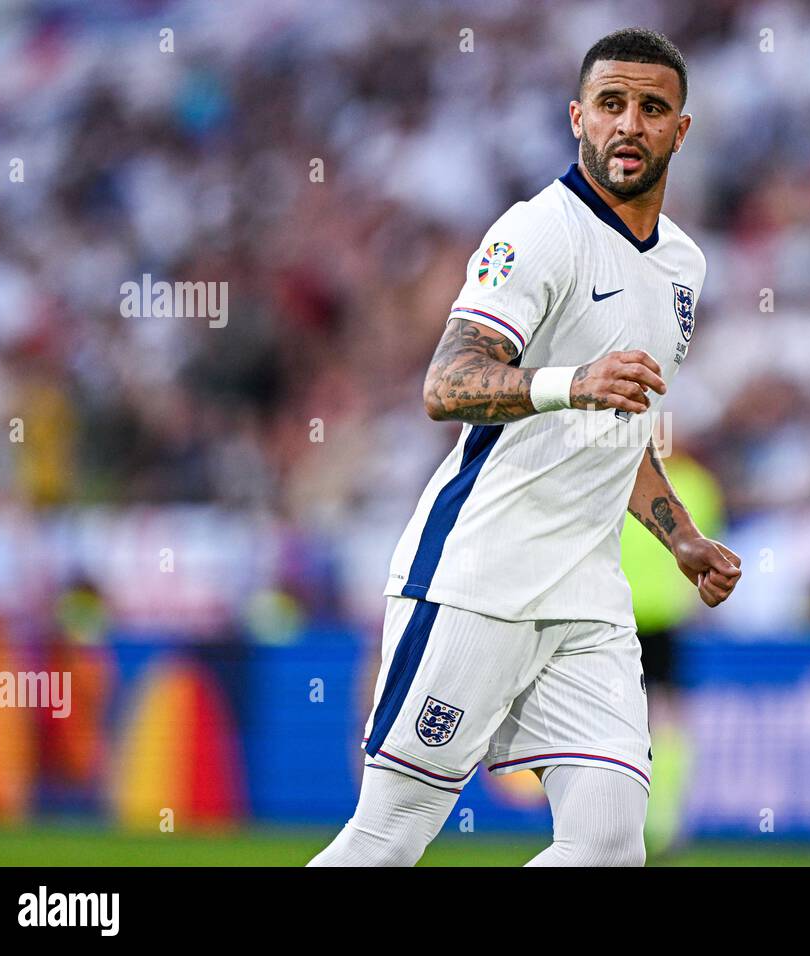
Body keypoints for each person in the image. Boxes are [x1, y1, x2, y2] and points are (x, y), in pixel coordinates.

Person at [309, 27, 741, 867]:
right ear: (578, 116)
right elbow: (448, 383)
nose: (629, 124)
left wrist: (681, 536)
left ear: (680, 131)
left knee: (611, 843)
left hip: (587, 596)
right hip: (481, 576)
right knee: (389, 834)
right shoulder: (538, 232)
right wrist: (569, 380)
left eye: (652, 108)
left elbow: (619, 433)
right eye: (610, 104)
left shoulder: (684, 266)